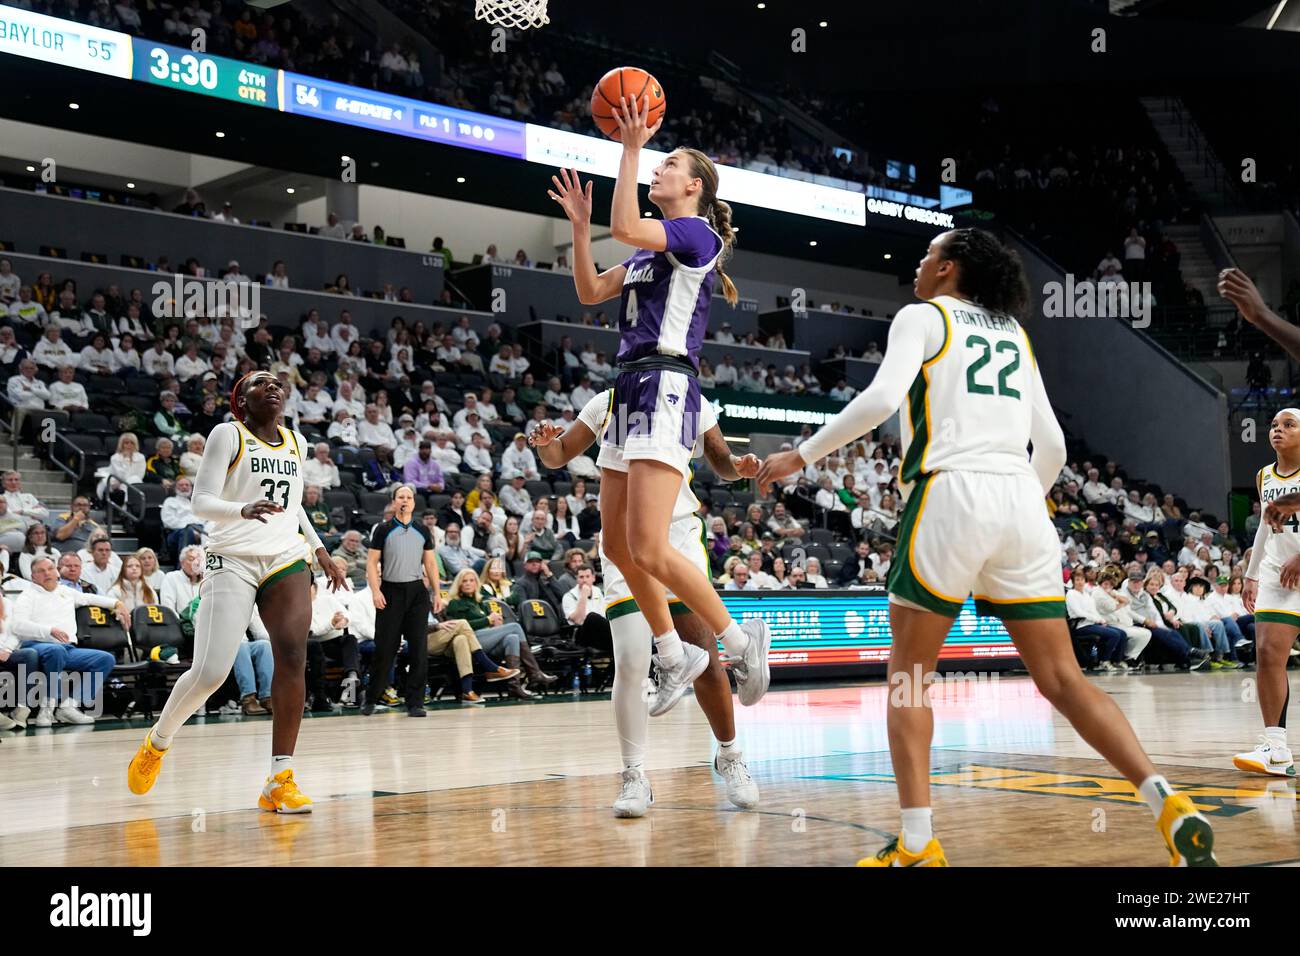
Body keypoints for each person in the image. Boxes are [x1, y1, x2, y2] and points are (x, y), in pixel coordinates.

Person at [756, 227, 1217, 866]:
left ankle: (918, 845)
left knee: (910, 678)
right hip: (1023, 503)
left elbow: (883, 398)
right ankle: (1166, 799)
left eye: (926, 256)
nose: (917, 265)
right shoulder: (1015, 335)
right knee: (1063, 678)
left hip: (951, 494)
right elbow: (1051, 446)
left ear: (948, 269)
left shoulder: (922, 316)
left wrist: (800, 455)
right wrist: (1016, 503)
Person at [547, 100, 770, 724]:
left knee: (647, 542)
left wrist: (629, 145)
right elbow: (590, 290)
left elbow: (628, 226)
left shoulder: (699, 235)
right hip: (629, 385)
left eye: (667, 163)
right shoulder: (650, 253)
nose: (658, 168)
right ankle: (673, 655)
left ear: (692, 187)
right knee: (618, 547)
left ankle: (739, 642)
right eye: (657, 159)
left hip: (667, 385)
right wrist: (578, 227)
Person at [531, 386, 763, 815]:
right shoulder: (608, 401)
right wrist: (546, 446)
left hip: (676, 535)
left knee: (705, 656)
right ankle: (634, 774)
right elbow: (560, 454)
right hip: (623, 542)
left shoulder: (694, 399)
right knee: (633, 662)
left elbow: (721, 462)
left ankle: (730, 756)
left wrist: (740, 466)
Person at [127, 371, 347, 814]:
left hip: (285, 557)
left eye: (277, 383)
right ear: (240, 401)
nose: (272, 387)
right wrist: (241, 508)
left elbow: (295, 502)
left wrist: (320, 549)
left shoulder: (296, 443)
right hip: (232, 557)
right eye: (259, 383)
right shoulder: (228, 435)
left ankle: (279, 778)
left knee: (291, 656)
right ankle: (158, 741)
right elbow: (201, 501)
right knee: (211, 672)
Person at [9, 556, 127, 726]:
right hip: (37, 646)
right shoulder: (27, 596)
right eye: (41, 571)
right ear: (33, 577)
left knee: (105, 658)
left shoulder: (66, 591)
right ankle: (47, 708)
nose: (47, 573)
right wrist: (49, 630)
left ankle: (68, 706)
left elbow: (89, 598)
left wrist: (117, 603)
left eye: (50, 569)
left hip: (67, 649)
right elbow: (18, 626)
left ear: (57, 571)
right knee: (55, 651)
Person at [362, 484, 441, 717]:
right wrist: (376, 591)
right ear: (394, 502)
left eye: (408, 497)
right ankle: (371, 698)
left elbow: (431, 564)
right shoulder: (383, 530)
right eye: (400, 497)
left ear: (414, 502)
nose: (405, 500)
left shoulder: (422, 530)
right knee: (385, 649)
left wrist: (437, 593)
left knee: (418, 649)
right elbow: (371, 563)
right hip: (391, 591)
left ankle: (415, 702)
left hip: (417, 593)